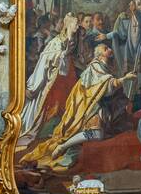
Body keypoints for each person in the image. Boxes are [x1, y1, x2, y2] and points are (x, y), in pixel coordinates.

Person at [24, 44, 134, 172]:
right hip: (88, 106)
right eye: (106, 48)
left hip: (95, 104)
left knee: (104, 133)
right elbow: (106, 87)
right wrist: (125, 79)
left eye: (109, 48)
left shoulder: (105, 67)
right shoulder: (95, 66)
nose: (110, 49)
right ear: (100, 55)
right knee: (97, 134)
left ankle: (67, 148)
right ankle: (63, 146)